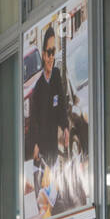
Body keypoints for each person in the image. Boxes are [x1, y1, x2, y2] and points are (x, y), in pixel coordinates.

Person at [27, 26, 71, 169]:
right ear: (44, 55)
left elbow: (61, 103)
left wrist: (65, 127)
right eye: (49, 52)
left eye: (54, 52)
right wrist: (35, 144)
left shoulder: (56, 75)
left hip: (53, 142)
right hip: (43, 147)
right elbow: (34, 120)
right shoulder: (38, 88)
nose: (52, 57)